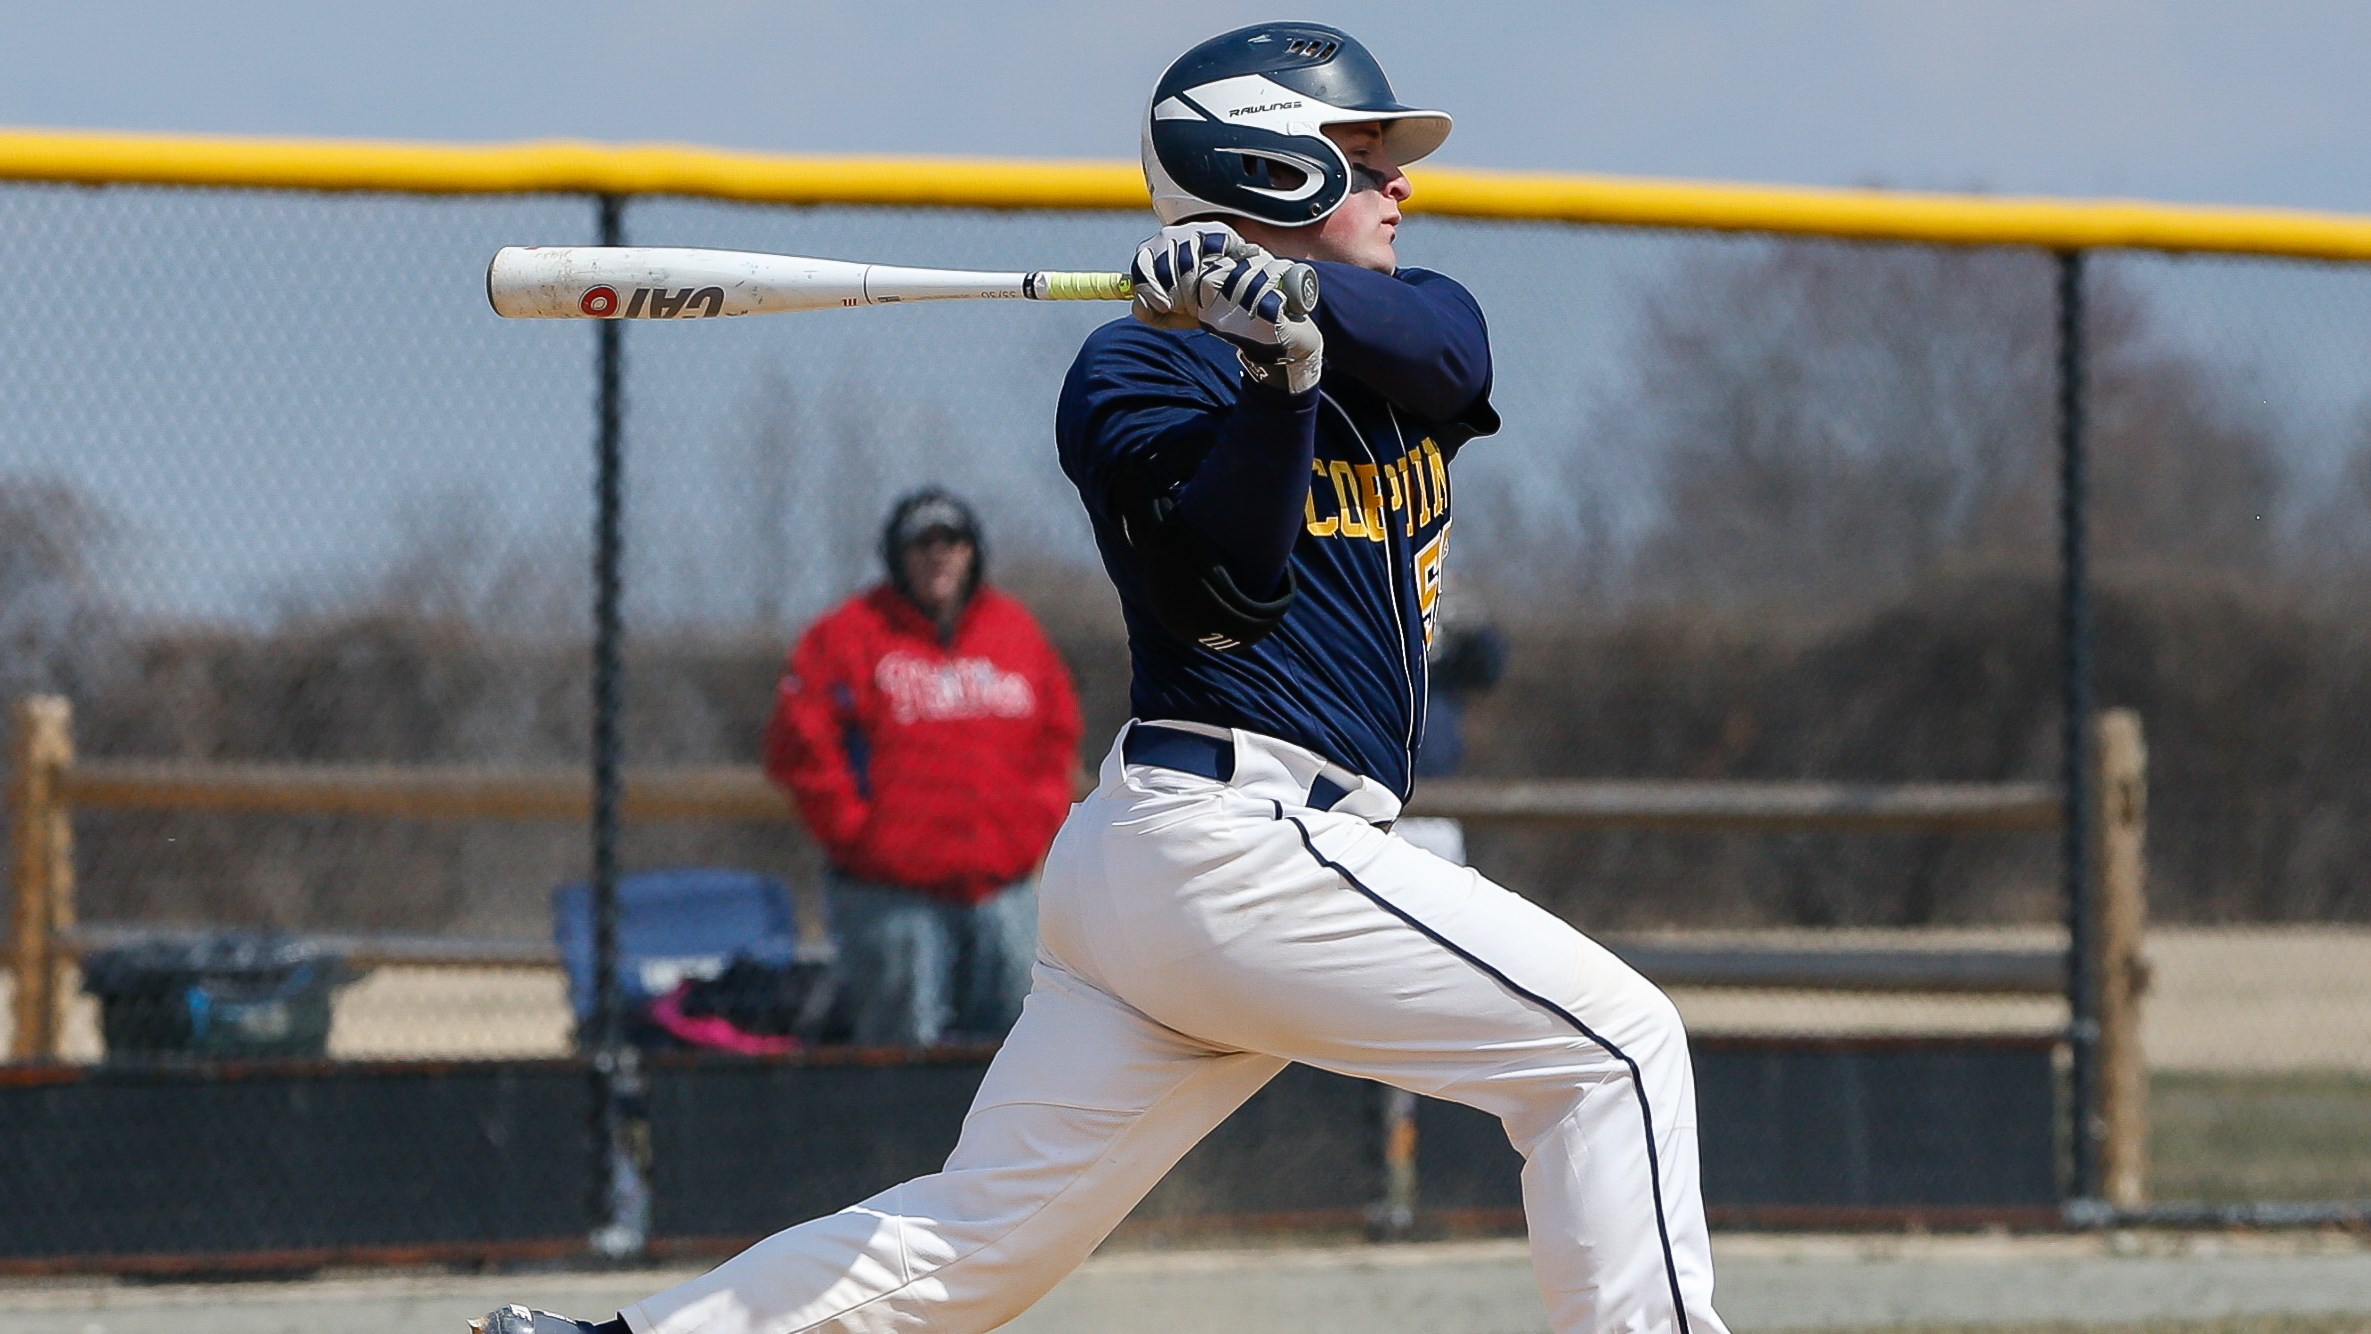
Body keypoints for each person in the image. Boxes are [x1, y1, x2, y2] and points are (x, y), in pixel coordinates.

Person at [477, 22, 1726, 1334]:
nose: (1397, 185)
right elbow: (1226, 590)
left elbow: (1450, 354)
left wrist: (1288, 305)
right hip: (1224, 840)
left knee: (977, 1245)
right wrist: (1271, 379)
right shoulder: (1133, 366)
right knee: (1614, 1048)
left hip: (1214, 870)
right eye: (1361, 158)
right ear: (1268, 163)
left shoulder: (1411, 329)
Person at [761, 489, 1081, 1047]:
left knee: (1020, 1045)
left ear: (972, 553)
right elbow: (799, 745)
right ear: (896, 555)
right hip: (891, 893)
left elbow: (1057, 734)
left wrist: (1033, 824)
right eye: (921, 543)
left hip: (1000, 887)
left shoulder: (1014, 631)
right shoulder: (849, 634)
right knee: (902, 1045)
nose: (938, 556)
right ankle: (898, 1142)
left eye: (951, 542)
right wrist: (860, 835)